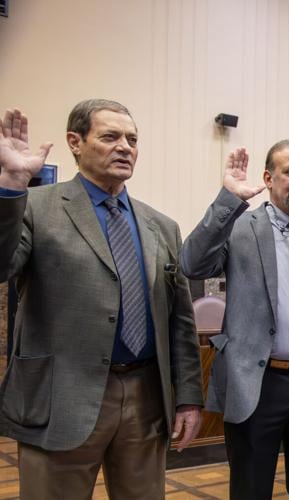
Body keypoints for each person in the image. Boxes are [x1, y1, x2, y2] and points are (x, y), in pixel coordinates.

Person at [0, 101, 203, 498]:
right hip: (60, 399)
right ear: (75, 142)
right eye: (110, 137)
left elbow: (180, 321)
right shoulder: (37, 208)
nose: (125, 147)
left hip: (145, 398)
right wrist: (10, 187)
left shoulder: (161, 226)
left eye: (132, 139)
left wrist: (189, 398)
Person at [180, 143, 289, 499]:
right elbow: (193, 265)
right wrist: (227, 200)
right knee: (250, 490)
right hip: (257, 384)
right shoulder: (239, 228)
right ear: (268, 178)